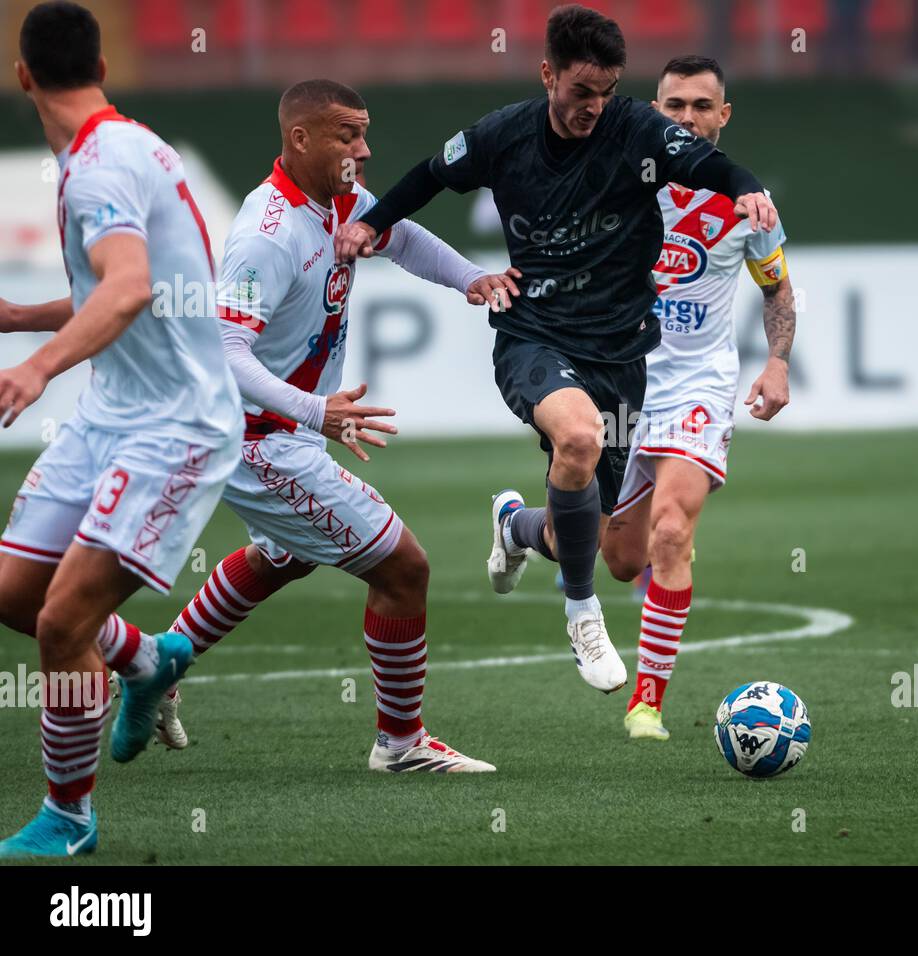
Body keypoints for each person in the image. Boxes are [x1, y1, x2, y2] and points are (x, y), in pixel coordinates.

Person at [334, 5, 779, 696]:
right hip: (533, 335)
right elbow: (428, 174)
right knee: (577, 440)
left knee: (615, 551)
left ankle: (517, 526)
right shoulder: (503, 135)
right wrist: (372, 223)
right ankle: (581, 613)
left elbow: (703, 160)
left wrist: (746, 187)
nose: (593, 108)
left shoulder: (636, 128)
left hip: (622, 355)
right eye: (579, 92)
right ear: (548, 75)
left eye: (604, 92)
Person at [158, 79, 519, 773]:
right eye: (347, 136)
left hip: (280, 432)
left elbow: (400, 235)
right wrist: (316, 412)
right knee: (405, 568)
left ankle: (159, 665)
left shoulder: (341, 201)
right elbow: (224, 353)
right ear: (300, 140)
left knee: (283, 557)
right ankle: (402, 744)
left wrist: (471, 278)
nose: (364, 148)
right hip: (258, 438)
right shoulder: (265, 236)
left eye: (364, 131)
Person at [0, 1, 242, 856]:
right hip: (112, 411)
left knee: (63, 623)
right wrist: (22, 318)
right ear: (99, 65)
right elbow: (123, 284)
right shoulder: (128, 144)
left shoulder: (99, 168)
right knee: (14, 596)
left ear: (23, 74)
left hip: (173, 425)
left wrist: (36, 368)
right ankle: (149, 657)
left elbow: (130, 288)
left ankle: (69, 820)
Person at [599, 56, 796, 741]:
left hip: (698, 386)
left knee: (672, 531)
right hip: (620, 379)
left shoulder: (749, 204)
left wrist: (775, 361)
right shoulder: (622, 179)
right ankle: (520, 524)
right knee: (620, 559)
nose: (686, 117)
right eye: (674, 105)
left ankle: (646, 704)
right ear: (654, 110)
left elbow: (775, 290)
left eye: (700, 106)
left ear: (724, 114)